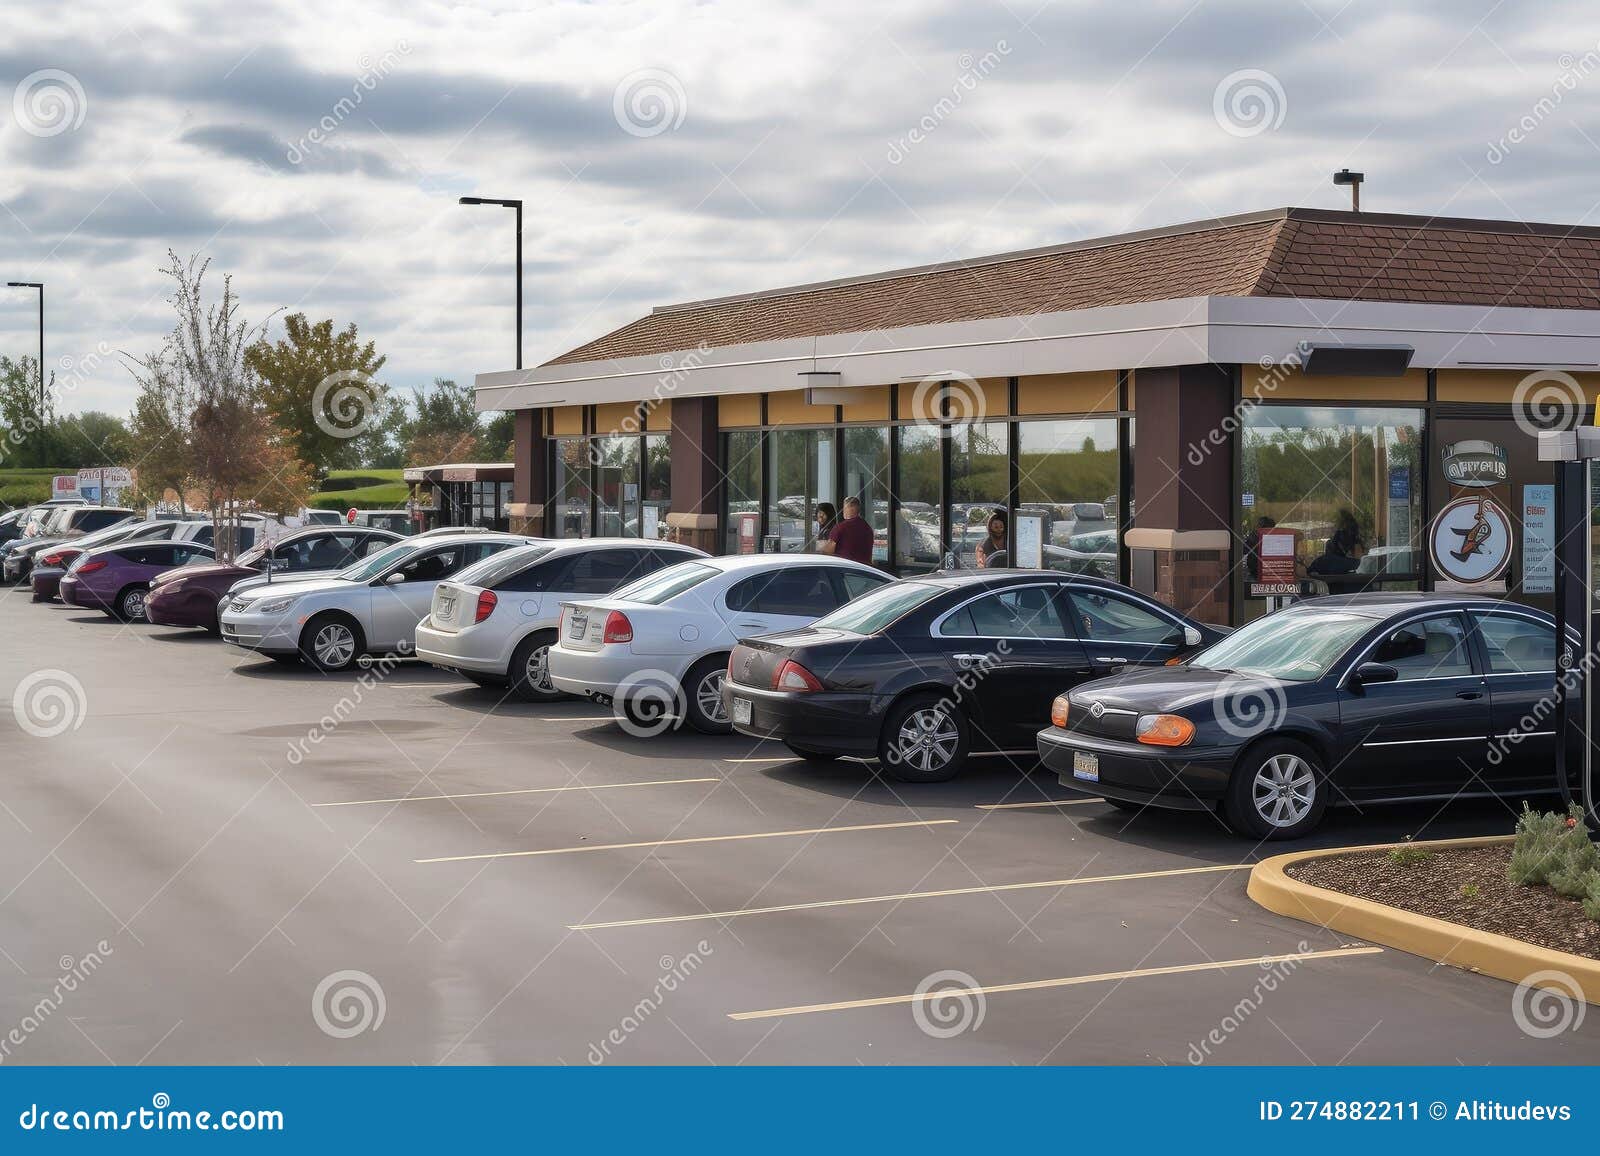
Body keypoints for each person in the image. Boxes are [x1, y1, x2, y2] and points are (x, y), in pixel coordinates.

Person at [818, 495, 874, 565]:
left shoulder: (841, 527)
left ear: (851, 508)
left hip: (846, 569)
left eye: (844, 508)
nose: (843, 511)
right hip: (864, 570)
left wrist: (819, 547)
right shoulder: (868, 528)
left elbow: (827, 552)